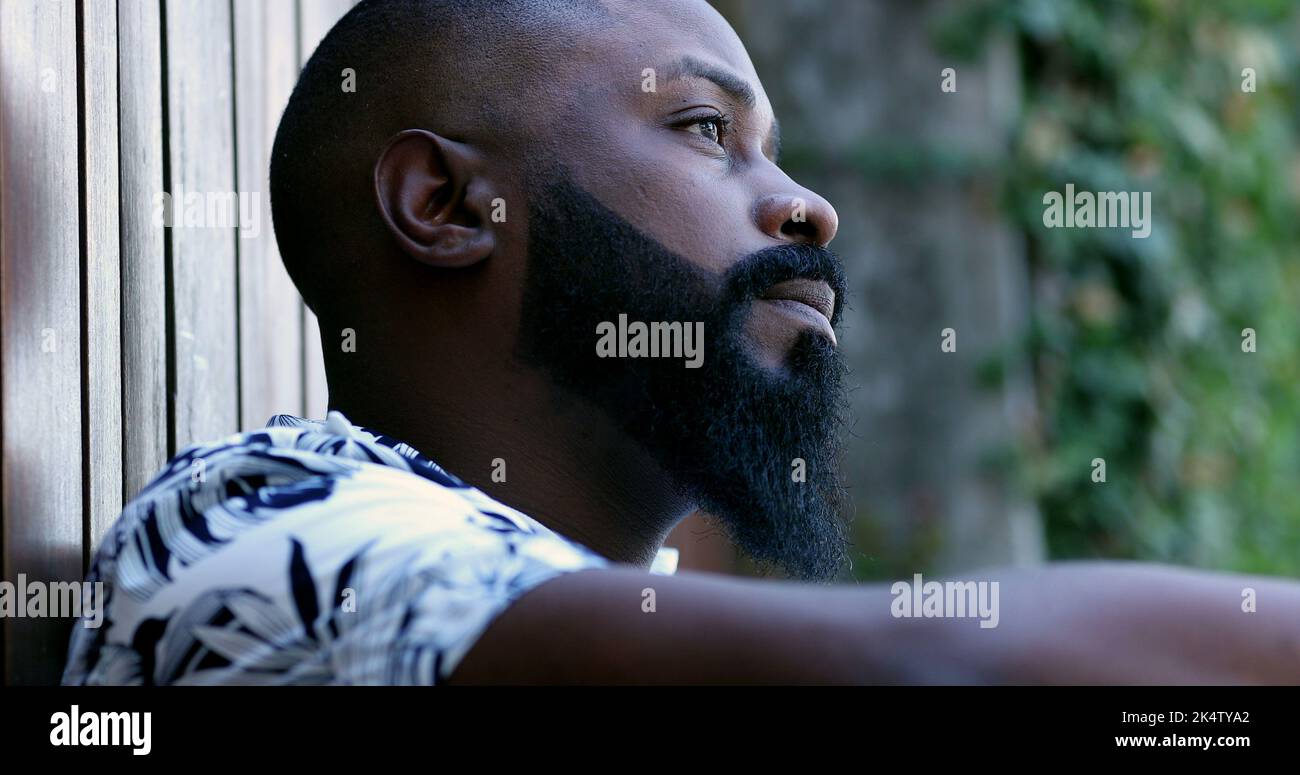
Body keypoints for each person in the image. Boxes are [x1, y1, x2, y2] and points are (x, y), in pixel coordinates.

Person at [63, 0, 1300, 685]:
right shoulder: (260, 535)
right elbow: (936, 671)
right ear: (442, 207)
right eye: (707, 128)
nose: (809, 206)